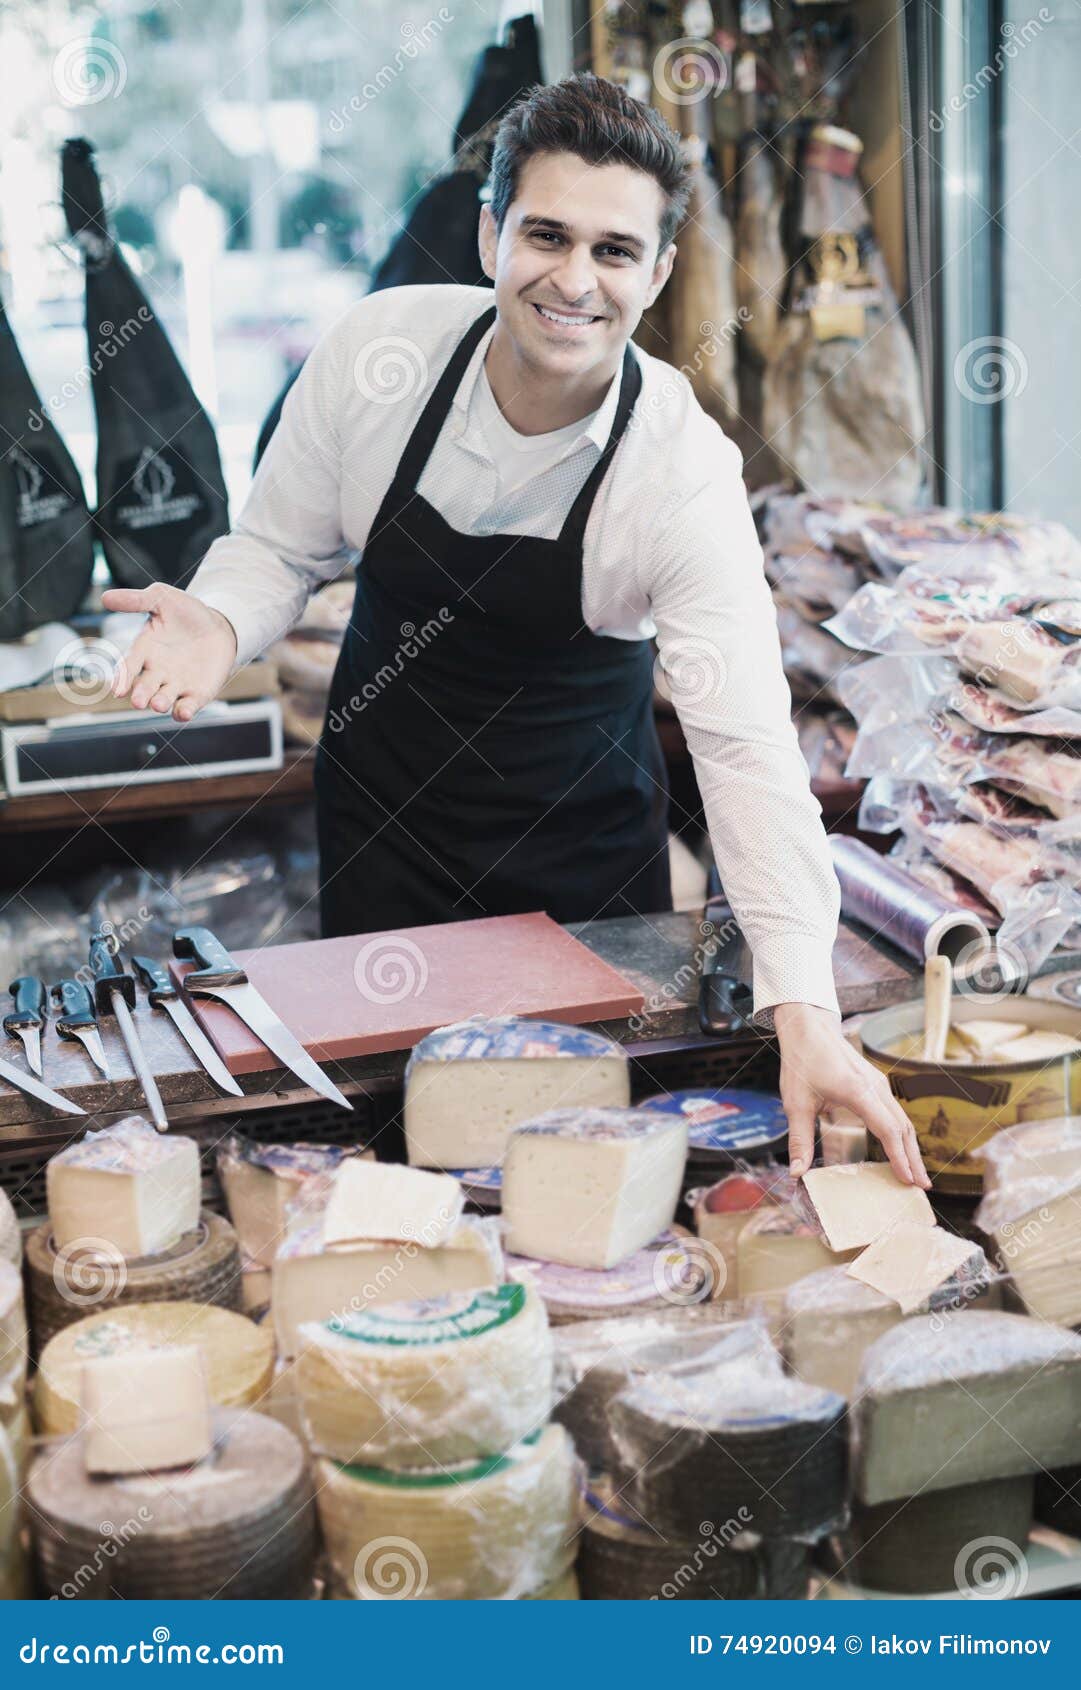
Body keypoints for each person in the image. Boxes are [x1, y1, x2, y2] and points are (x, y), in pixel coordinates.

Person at [105, 74, 928, 1188]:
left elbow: (744, 749)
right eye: (545, 234)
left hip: (579, 867)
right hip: (384, 832)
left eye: (614, 250)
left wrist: (806, 1006)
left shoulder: (682, 476)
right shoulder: (375, 358)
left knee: (573, 1178)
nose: (574, 281)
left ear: (659, 272)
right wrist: (217, 618)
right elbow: (279, 549)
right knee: (393, 1164)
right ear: (491, 231)